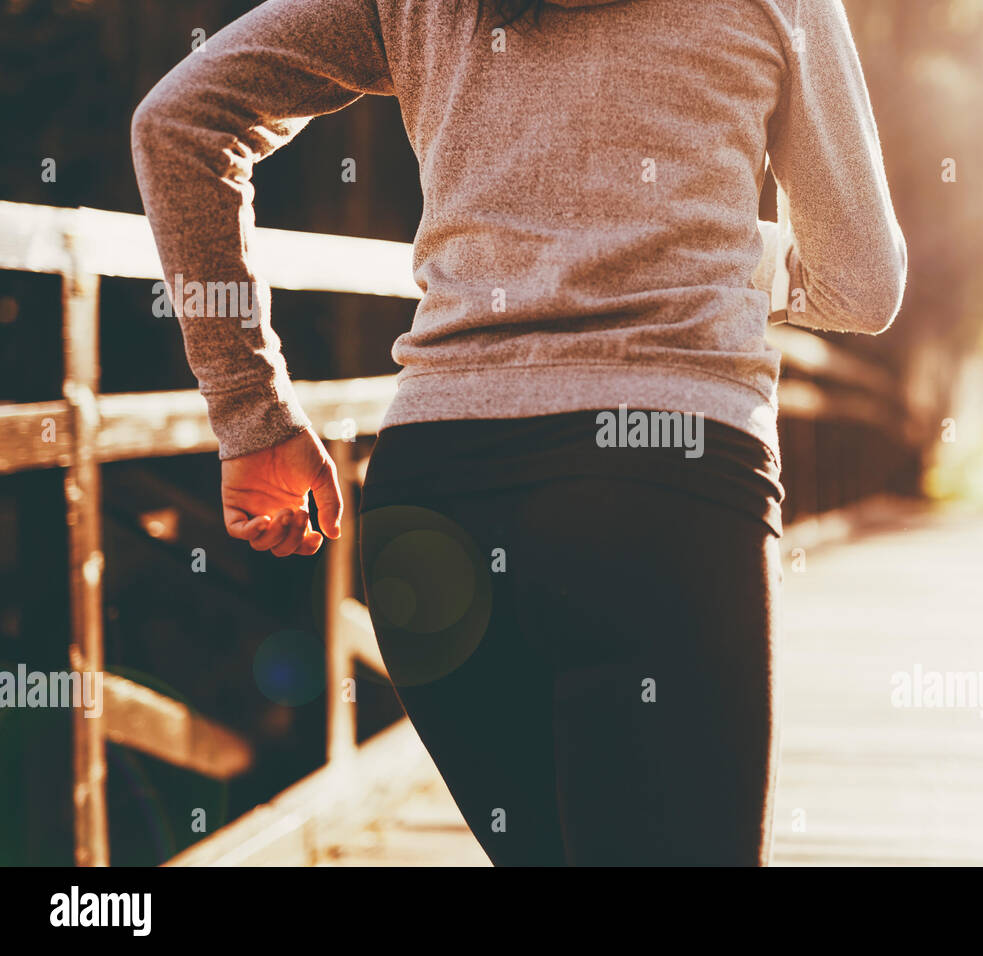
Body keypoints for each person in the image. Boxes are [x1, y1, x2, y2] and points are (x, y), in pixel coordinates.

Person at [131, 0, 906, 866]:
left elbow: (179, 122)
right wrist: (712, 249)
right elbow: (861, 283)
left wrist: (251, 411)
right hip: (668, 499)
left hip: (438, 507)